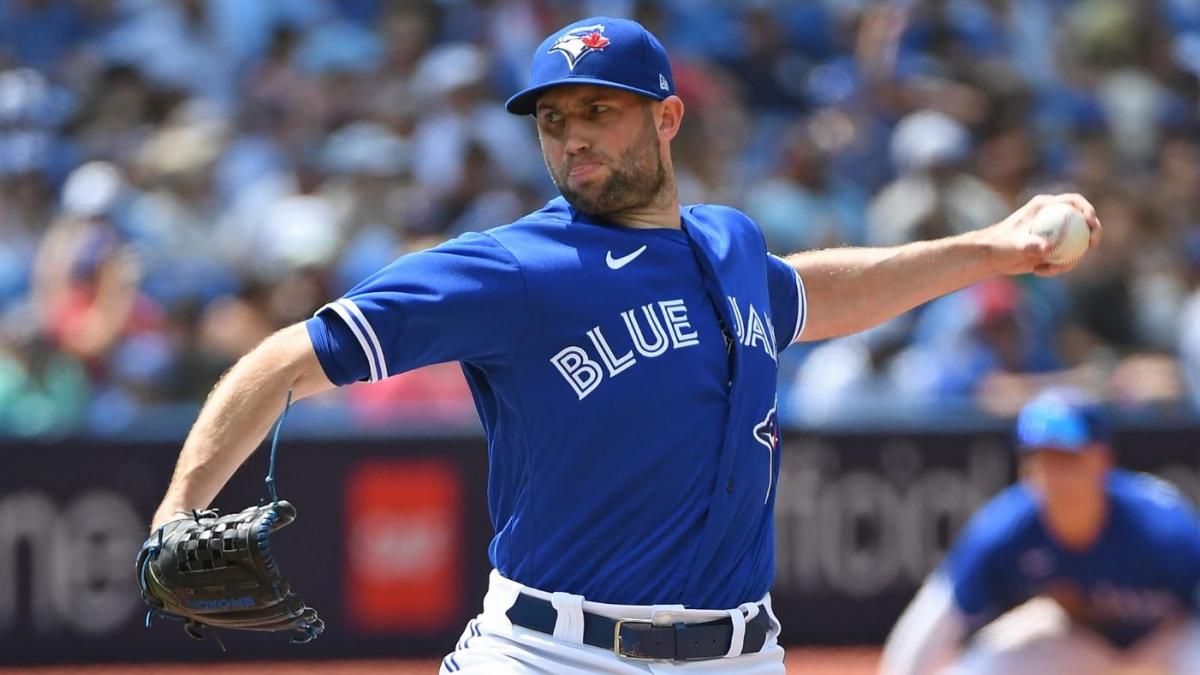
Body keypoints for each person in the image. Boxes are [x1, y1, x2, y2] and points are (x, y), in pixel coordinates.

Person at [146, 17, 1100, 674]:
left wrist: (992, 248)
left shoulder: (730, 248)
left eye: (598, 110)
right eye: (554, 121)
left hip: (738, 652)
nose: (572, 139)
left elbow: (820, 293)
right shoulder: (511, 269)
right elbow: (285, 359)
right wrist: (179, 508)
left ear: (667, 118)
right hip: (552, 651)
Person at [879, 388, 1200, 675]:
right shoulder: (1004, 528)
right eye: (1040, 457)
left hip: (1169, 638)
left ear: (1101, 458)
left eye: (1065, 456)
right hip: (1078, 641)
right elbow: (933, 622)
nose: (1052, 472)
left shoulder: (1161, 526)